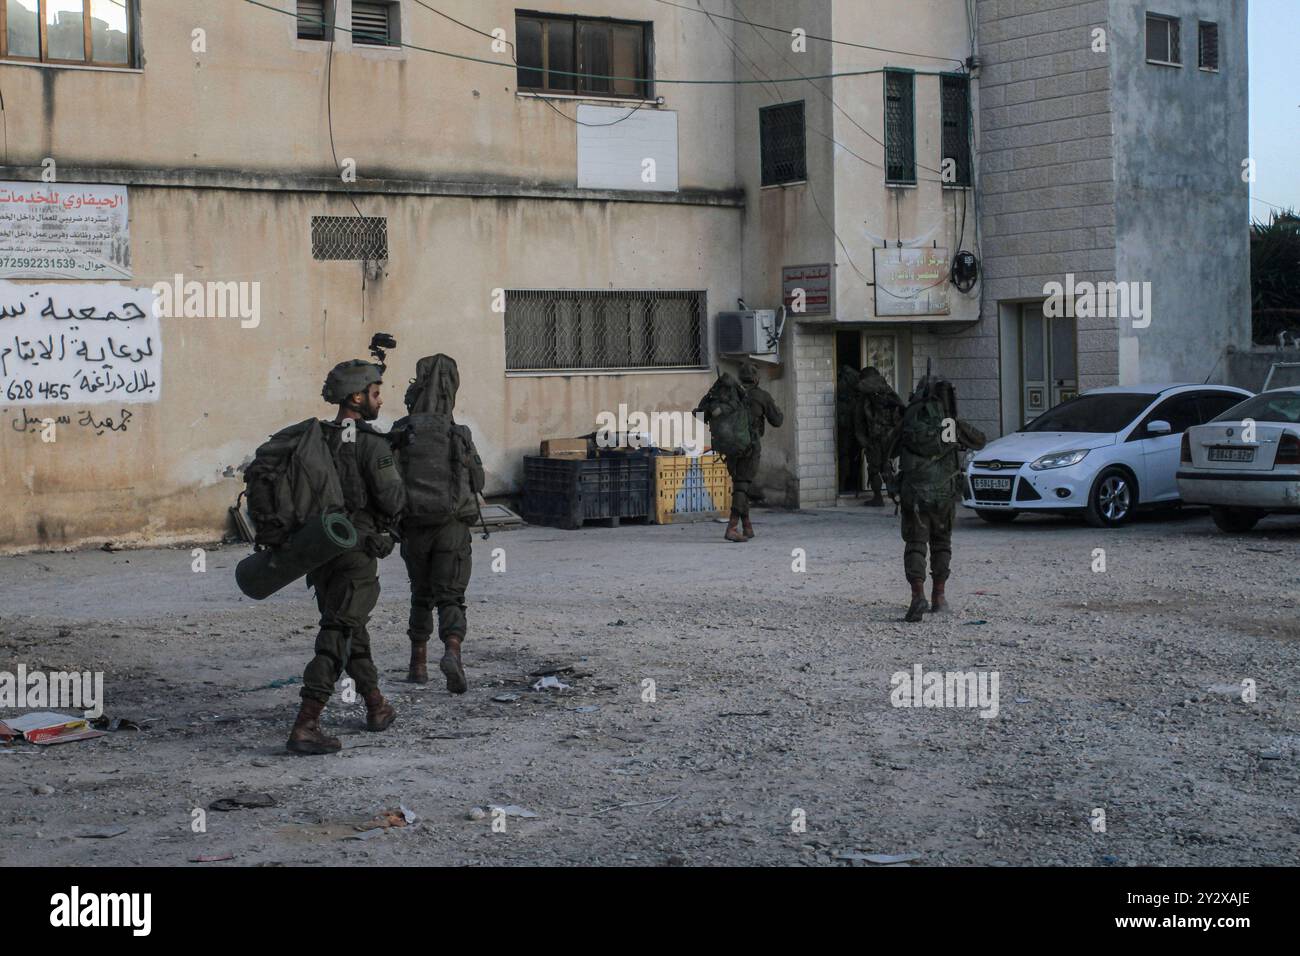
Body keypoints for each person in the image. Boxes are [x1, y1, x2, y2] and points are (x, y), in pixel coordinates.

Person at [287, 359, 407, 755]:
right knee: (337, 634)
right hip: (356, 553)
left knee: (350, 626)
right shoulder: (372, 444)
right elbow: (392, 498)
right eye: (375, 393)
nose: (380, 399)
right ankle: (307, 722)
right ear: (357, 397)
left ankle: (375, 705)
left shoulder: (317, 439)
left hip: (320, 552)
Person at [390, 355, 484, 694]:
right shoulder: (458, 433)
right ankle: (452, 652)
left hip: (414, 528)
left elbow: (387, 480)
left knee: (420, 593)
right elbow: (478, 480)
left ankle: (417, 665)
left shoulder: (402, 430)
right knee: (451, 596)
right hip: (451, 527)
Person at [887, 376, 986, 623]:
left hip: (915, 494)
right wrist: (953, 423)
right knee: (941, 543)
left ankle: (917, 595)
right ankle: (939, 596)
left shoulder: (909, 420)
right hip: (944, 494)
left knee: (916, 544)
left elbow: (887, 450)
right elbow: (979, 440)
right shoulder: (949, 423)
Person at [725, 361, 783, 542]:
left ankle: (747, 526)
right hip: (750, 447)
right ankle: (732, 528)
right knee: (742, 486)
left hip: (730, 447)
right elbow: (777, 420)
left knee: (741, 485)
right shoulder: (761, 396)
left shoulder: (730, 395)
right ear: (756, 379)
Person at [854, 366, 905, 507]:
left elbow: (858, 422)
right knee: (886, 466)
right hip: (891, 437)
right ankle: (894, 496)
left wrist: (863, 441)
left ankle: (878, 498)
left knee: (874, 469)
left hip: (875, 438)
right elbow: (902, 411)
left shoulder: (865, 397)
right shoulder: (888, 392)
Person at [835, 365, 863, 494]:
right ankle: (845, 483)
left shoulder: (844, 382)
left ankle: (843, 484)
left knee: (844, 454)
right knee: (848, 455)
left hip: (846, 425)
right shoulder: (854, 394)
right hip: (851, 424)